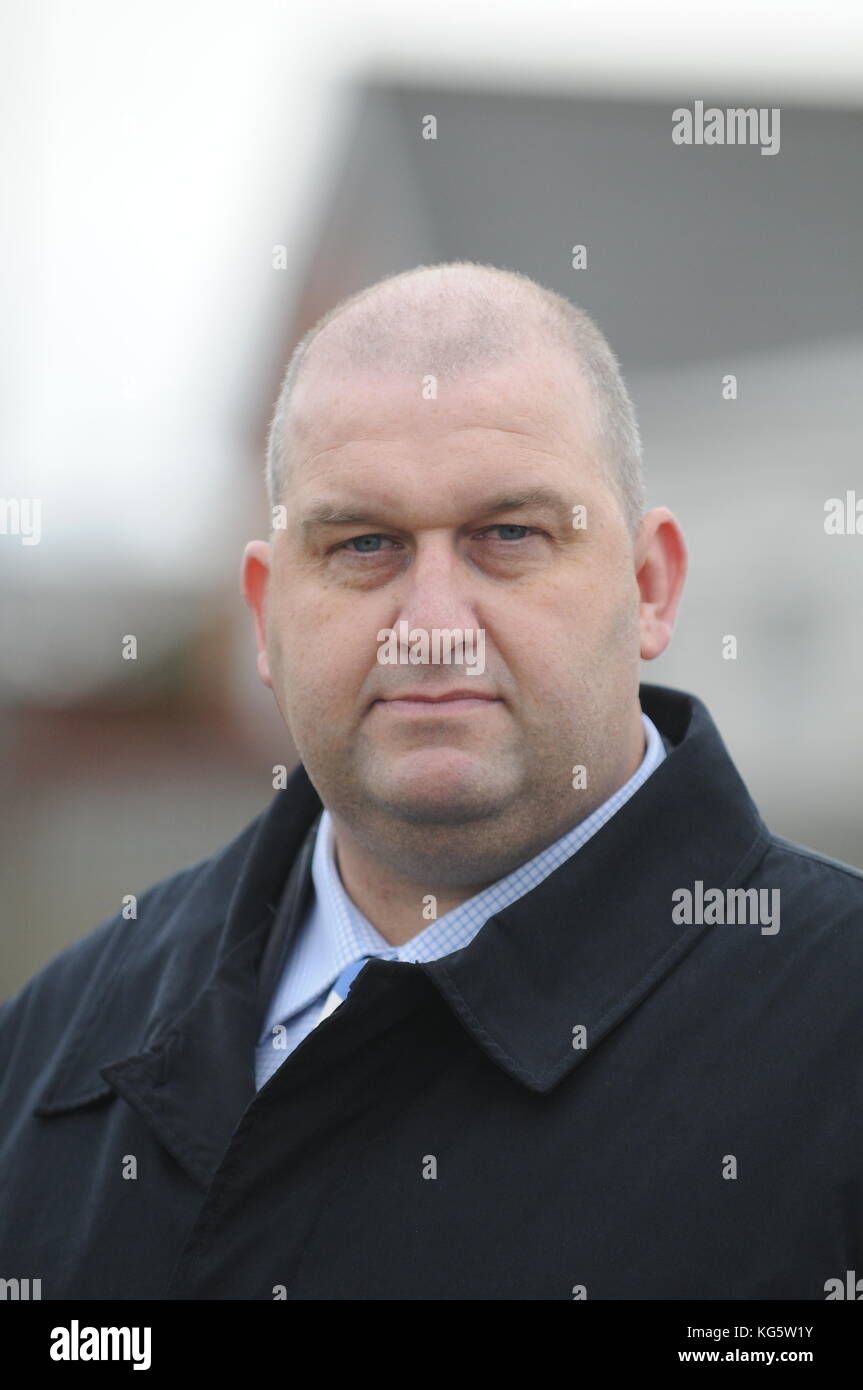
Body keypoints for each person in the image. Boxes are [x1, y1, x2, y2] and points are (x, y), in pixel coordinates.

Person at [1, 262, 861, 1301]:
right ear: (265, 615)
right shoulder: (54, 1045)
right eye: (363, 544)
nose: (432, 625)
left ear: (647, 586)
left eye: (508, 536)